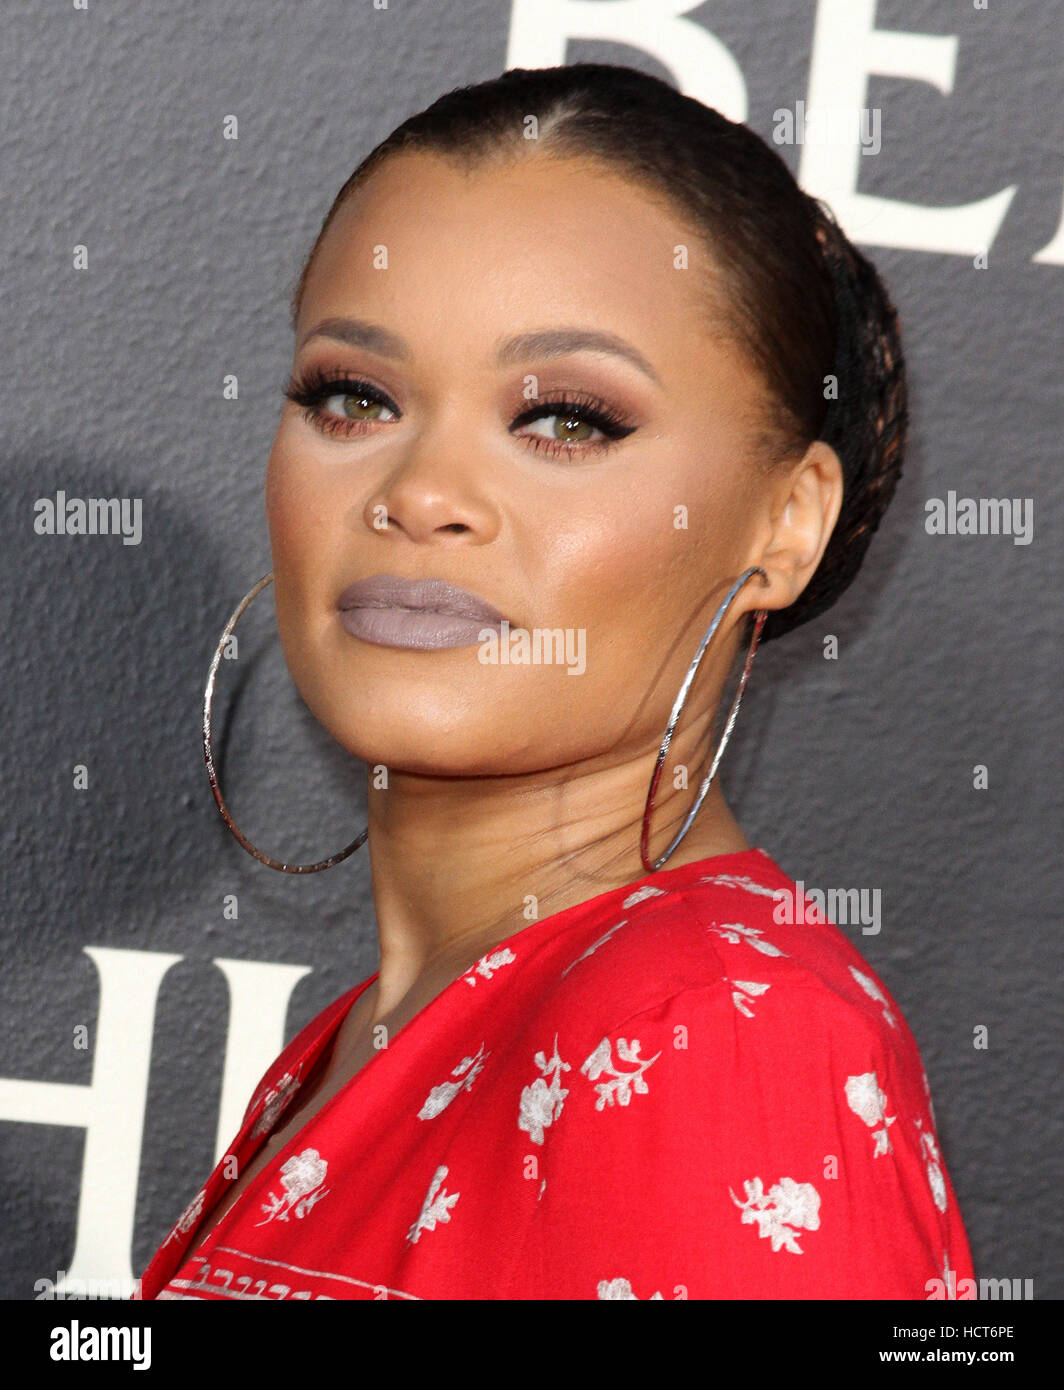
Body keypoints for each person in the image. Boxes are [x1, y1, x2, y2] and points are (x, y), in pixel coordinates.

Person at [134, 62, 974, 1300]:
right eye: (352, 397)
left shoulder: (709, 1034)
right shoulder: (374, 1033)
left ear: (781, 525)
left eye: (566, 419)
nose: (418, 495)